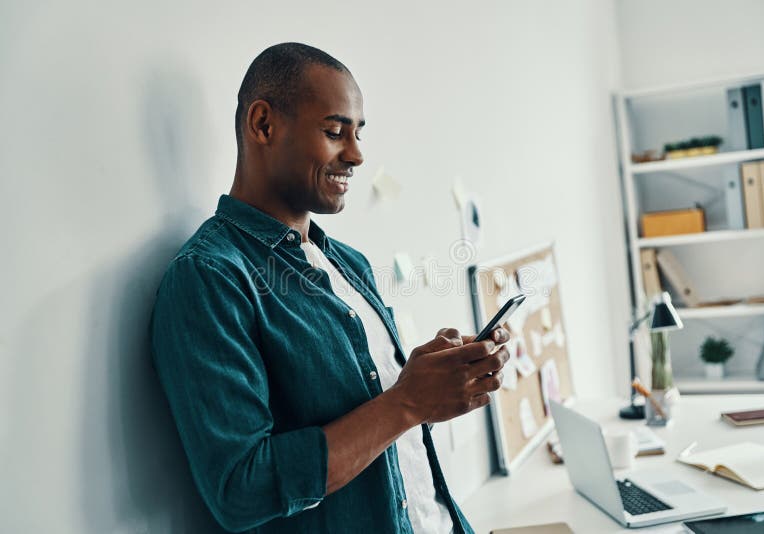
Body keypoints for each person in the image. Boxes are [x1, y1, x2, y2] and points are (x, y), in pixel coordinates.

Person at [150, 42, 510, 534]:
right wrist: (406, 402)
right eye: (335, 131)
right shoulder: (210, 277)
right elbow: (240, 489)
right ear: (263, 125)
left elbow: (384, 427)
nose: (357, 155)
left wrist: (435, 379)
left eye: (359, 133)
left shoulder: (350, 265)